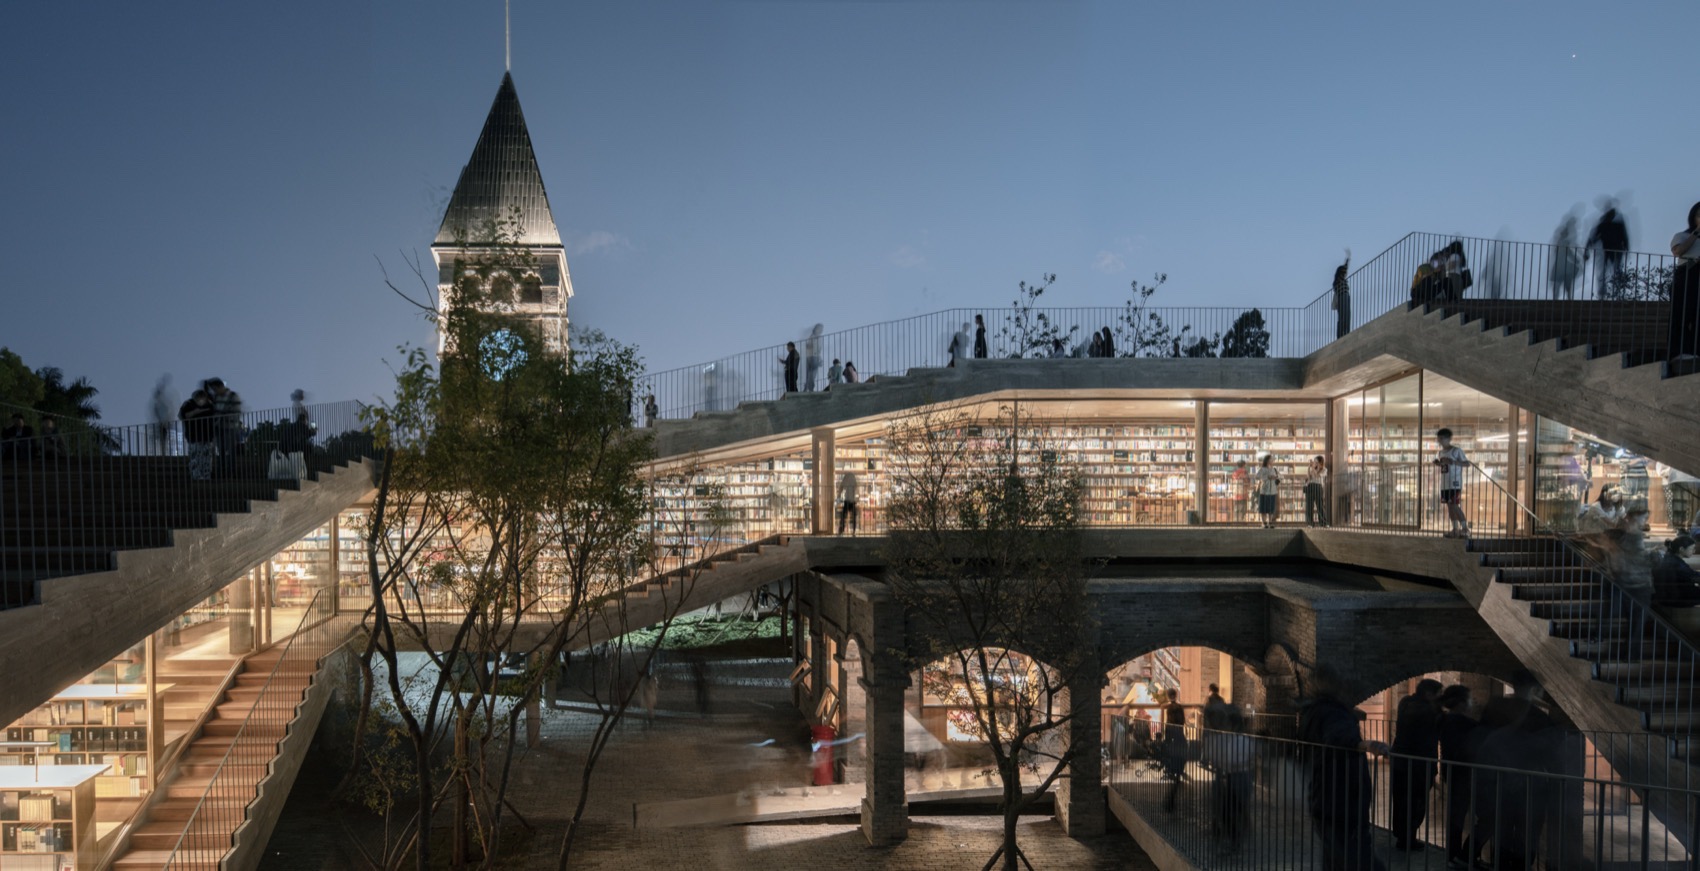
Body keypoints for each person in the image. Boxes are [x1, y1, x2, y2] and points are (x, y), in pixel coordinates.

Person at [1298, 664, 1388, 871]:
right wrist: (1364, 744)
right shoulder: (1332, 713)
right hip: (1342, 799)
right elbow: (1338, 736)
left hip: (1325, 796)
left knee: (1335, 858)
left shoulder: (1313, 712)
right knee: (1358, 858)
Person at [1389, 679, 1443, 852]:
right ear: (1429, 694)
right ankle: (1407, 838)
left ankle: (1403, 836)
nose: (1440, 698)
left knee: (1402, 800)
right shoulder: (1428, 711)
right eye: (1438, 695)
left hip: (1401, 760)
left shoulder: (1406, 702)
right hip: (1419, 764)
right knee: (1416, 802)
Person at [1436, 684, 1478, 867]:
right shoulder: (1462, 723)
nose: (1472, 702)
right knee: (1487, 817)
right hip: (1465, 775)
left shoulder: (1445, 720)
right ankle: (1462, 856)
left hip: (1453, 773)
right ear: (1461, 703)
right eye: (1469, 699)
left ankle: (1454, 856)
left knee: (1456, 817)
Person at [1670, 201, 1700, 361]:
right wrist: (1696, 232)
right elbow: (1678, 251)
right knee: (1681, 315)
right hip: (1687, 275)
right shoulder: (1682, 236)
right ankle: (1679, 352)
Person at [1586, 198, 1630, 299]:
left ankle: (1615, 292)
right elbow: (1592, 238)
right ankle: (1605, 293)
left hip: (1614, 251)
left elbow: (1625, 237)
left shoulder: (1615, 225)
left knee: (1614, 272)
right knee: (1606, 273)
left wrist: (1626, 248)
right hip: (1608, 251)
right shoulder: (1605, 224)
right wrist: (1586, 250)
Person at [1433, 428, 1471, 538]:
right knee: (1449, 507)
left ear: (1448, 439)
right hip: (1444, 483)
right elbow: (1445, 466)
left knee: (1454, 505)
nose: (1440, 441)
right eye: (1439, 439)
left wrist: (1453, 462)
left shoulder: (1456, 451)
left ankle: (1465, 528)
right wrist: (1438, 464)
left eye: (1442, 438)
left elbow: (1467, 463)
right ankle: (1455, 529)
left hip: (1455, 483)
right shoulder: (1440, 453)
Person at [205, 378, 243, 473]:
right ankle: (222, 469)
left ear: (220, 387)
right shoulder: (216, 397)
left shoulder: (233, 396)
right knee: (220, 449)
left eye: (215, 389)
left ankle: (231, 470)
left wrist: (222, 416)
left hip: (230, 427)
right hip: (219, 427)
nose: (214, 391)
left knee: (230, 450)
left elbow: (236, 412)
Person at [179, 389, 218, 481]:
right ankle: (196, 476)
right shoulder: (188, 404)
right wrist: (197, 412)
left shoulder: (210, 405)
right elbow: (183, 415)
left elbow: (215, 418)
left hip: (207, 436)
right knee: (195, 456)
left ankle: (206, 476)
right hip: (193, 436)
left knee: (206, 457)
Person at [1160, 688, 1189, 812]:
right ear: (1176, 695)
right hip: (1181, 741)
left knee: (1173, 772)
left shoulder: (1168, 709)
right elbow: (1183, 722)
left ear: (1168, 695)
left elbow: (1167, 730)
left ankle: (1169, 802)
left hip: (1173, 744)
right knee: (1178, 771)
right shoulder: (1180, 707)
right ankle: (1172, 798)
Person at [1653, 536, 1700, 607]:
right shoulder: (1676, 563)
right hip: (1676, 598)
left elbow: (1691, 574)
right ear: (1681, 549)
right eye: (1692, 549)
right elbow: (1693, 576)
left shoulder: (1670, 557)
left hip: (1667, 596)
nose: (1694, 551)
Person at [1550, 211, 1583, 300]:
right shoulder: (1563, 240)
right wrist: (1576, 259)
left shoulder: (1563, 239)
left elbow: (1567, 251)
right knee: (1562, 284)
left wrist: (1576, 259)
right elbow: (1567, 252)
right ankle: (1564, 299)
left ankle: (1561, 299)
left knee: (1562, 284)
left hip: (1562, 265)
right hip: (1562, 265)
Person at [151, 375, 176, 455]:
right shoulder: (158, 404)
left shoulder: (162, 402)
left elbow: (168, 411)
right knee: (163, 438)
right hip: (162, 423)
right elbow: (156, 413)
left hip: (164, 423)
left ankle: (165, 452)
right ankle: (164, 452)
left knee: (165, 438)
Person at [1254, 454, 1281, 528]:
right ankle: (1264, 522)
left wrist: (1275, 477)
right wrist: (1267, 477)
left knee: (1271, 508)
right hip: (1264, 491)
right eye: (1271, 459)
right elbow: (1256, 477)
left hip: (1272, 491)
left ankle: (1270, 522)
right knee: (1263, 508)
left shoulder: (1274, 469)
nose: (1273, 460)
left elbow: (1281, 476)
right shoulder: (1262, 469)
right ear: (1268, 460)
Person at [1305, 455, 1331, 528]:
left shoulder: (1324, 469)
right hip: (1310, 486)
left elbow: (1318, 475)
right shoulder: (1312, 468)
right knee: (1309, 506)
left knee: (1320, 505)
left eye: (1316, 461)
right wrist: (1309, 467)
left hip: (1318, 487)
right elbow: (1309, 477)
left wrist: (1313, 468)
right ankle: (1310, 523)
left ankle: (1323, 522)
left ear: (1320, 462)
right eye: (1314, 461)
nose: (1314, 463)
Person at [1331, 249, 1352, 339]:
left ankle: (1342, 334)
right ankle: (1344, 333)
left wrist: (1347, 259)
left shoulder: (1337, 282)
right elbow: (1345, 268)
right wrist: (1347, 259)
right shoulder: (1340, 281)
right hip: (1343, 296)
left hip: (1344, 296)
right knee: (1345, 316)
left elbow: (1345, 268)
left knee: (1344, 316)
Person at [804, 324, 824, 392]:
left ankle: (807, 388)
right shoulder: (813, 337)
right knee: (811, 373)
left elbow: (818, 349)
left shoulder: (816, 337)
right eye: (820, 329)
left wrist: (819, 358)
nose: (821, 331)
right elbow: (809, 347)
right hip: (812, 357)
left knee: (811, 374)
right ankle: (809, 388)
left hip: (813, 356)